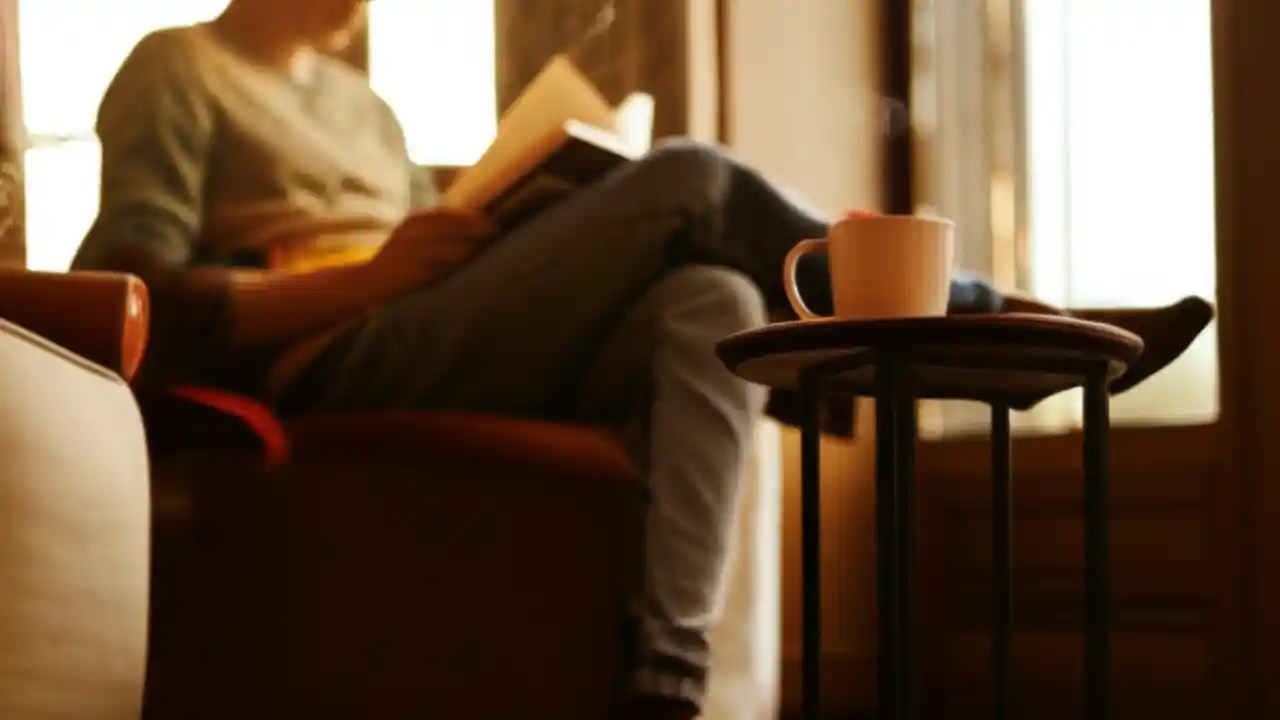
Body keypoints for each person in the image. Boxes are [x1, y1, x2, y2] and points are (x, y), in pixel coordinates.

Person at [72, 1, 1211, 717]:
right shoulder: (178, 68)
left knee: (711, 298)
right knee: (692, 180)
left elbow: (431, 246)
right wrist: (369, 281)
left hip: (427, 325)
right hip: (333, 351)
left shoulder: (364, 109)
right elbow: (140, 292)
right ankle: (979, 317)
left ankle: (665, 682)